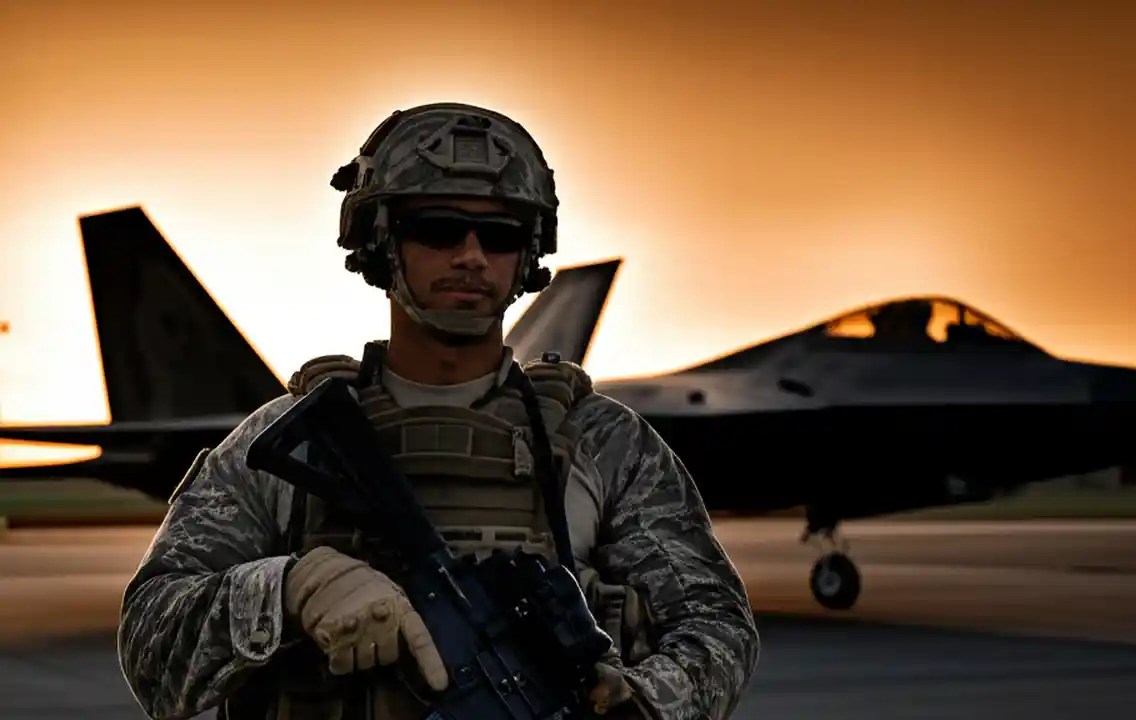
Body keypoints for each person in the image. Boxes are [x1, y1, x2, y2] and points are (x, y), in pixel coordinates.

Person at [116, 102, 760, 720]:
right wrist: (286, 591)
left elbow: (718, 627)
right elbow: (151, 649)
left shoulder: (603, 443)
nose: (472, 256)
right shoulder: (288, 442)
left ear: (529, 255)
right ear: (380, 241)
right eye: (438, 229)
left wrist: (642, 699)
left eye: (501, 235)